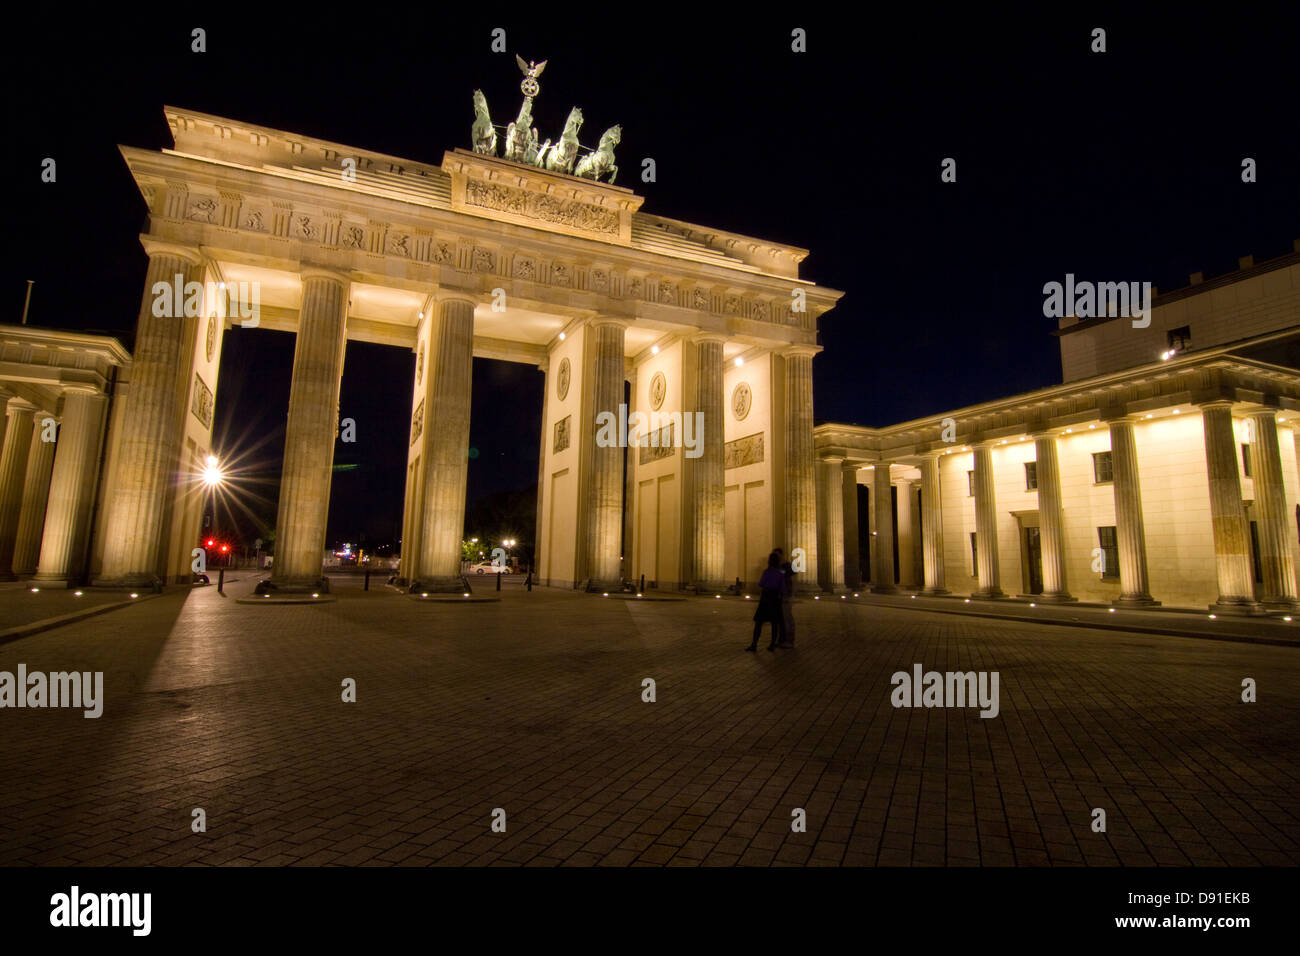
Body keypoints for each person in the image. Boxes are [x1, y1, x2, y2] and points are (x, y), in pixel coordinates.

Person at [746, 552, 786, 652]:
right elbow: (782, 587)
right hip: (775, 598)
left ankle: (754, 644)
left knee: (759, 622)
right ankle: (772, 644)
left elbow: (761, 583)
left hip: (766, 597)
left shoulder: (767, 572)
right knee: (774, 623)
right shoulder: (780, 573)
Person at [778, 559, 796, 648]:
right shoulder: (787, 579)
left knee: (786, 619)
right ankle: (783, 639)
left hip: (785, 599)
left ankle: (788, 640)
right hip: (784, 599)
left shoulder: (786, 579)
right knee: (784, 619)